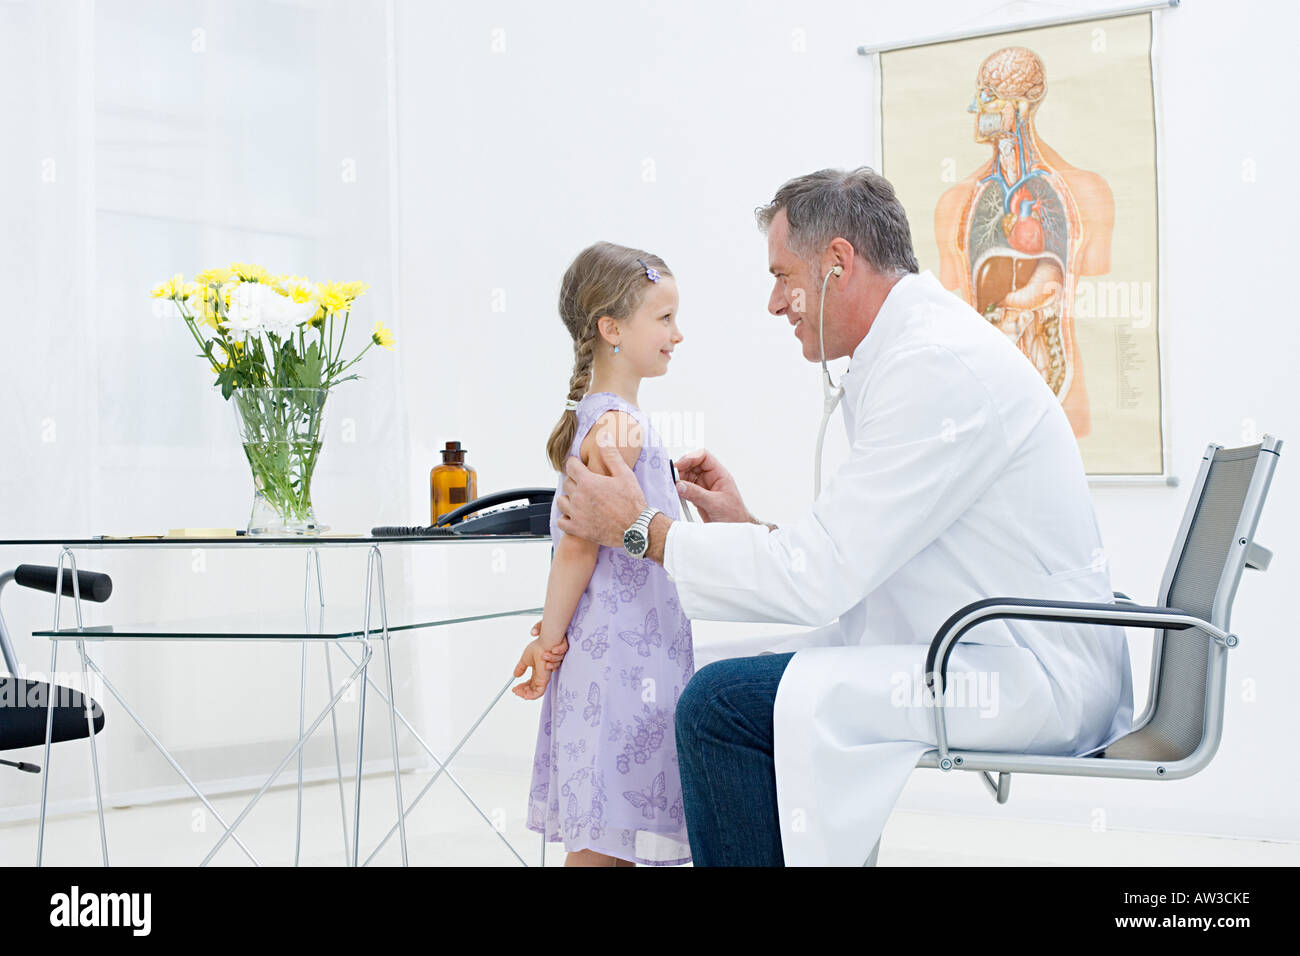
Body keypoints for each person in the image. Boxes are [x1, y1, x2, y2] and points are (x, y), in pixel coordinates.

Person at [549, 168, 1133, 866]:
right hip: (970, 648)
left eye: (781, 274)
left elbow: (822, 578)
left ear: (837, 264)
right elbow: (858, 556)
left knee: (715, 706)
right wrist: (747, 528)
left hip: (1021, 673)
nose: (772, 303)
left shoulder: (935, 367)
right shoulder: (910, 356)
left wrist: (642, 531)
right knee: (694, 678)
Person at [512, 241, 694, 867]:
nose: (678, 334)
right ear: (611, 329)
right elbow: (577, 550)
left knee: (612, 834)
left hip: (625, 652)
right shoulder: (620, 426)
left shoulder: (605, 418)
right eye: (663, 318)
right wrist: (549, 640)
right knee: (609, 840)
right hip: (622, 658)